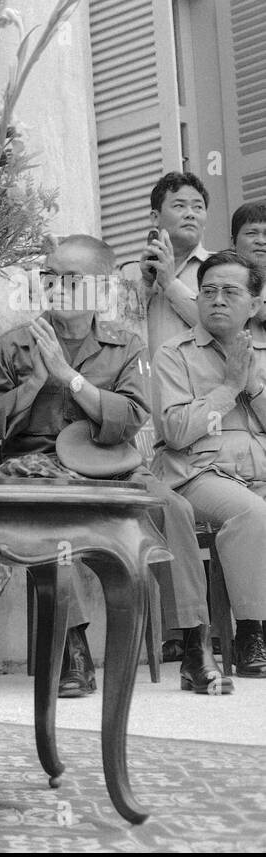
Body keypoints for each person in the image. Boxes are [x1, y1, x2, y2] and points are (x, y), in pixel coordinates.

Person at [0, 235, 228, 696]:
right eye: (50, 276)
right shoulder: (15, 344)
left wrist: (69, 379)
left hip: (111, 463)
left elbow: (131, 416)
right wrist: (35, 382)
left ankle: (195, 646)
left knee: (173, 509)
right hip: (38, 464)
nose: (57, 287)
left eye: (72, 279)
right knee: (51, 519)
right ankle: (72, 650)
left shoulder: (124, 345)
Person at [151, 250, 266, 681]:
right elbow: (178, 430)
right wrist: (229, 386)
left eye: (230, 292)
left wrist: (250, 381)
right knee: (251, 512)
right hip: (198, 474)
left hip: (259, 472)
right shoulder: (174, 353)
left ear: (253, 304)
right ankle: (252, 631)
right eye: (209, 291)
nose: (217, 299)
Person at [125, 172, 212, 365]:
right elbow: (117, 335)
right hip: (142, 390)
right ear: (155, 217)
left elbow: (220, 330)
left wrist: (170, 283)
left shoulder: (220, 269)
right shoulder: (129, 272)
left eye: (198, 207)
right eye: (179, 206)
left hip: (203, 390)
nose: (191, 213)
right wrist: (146, 286)